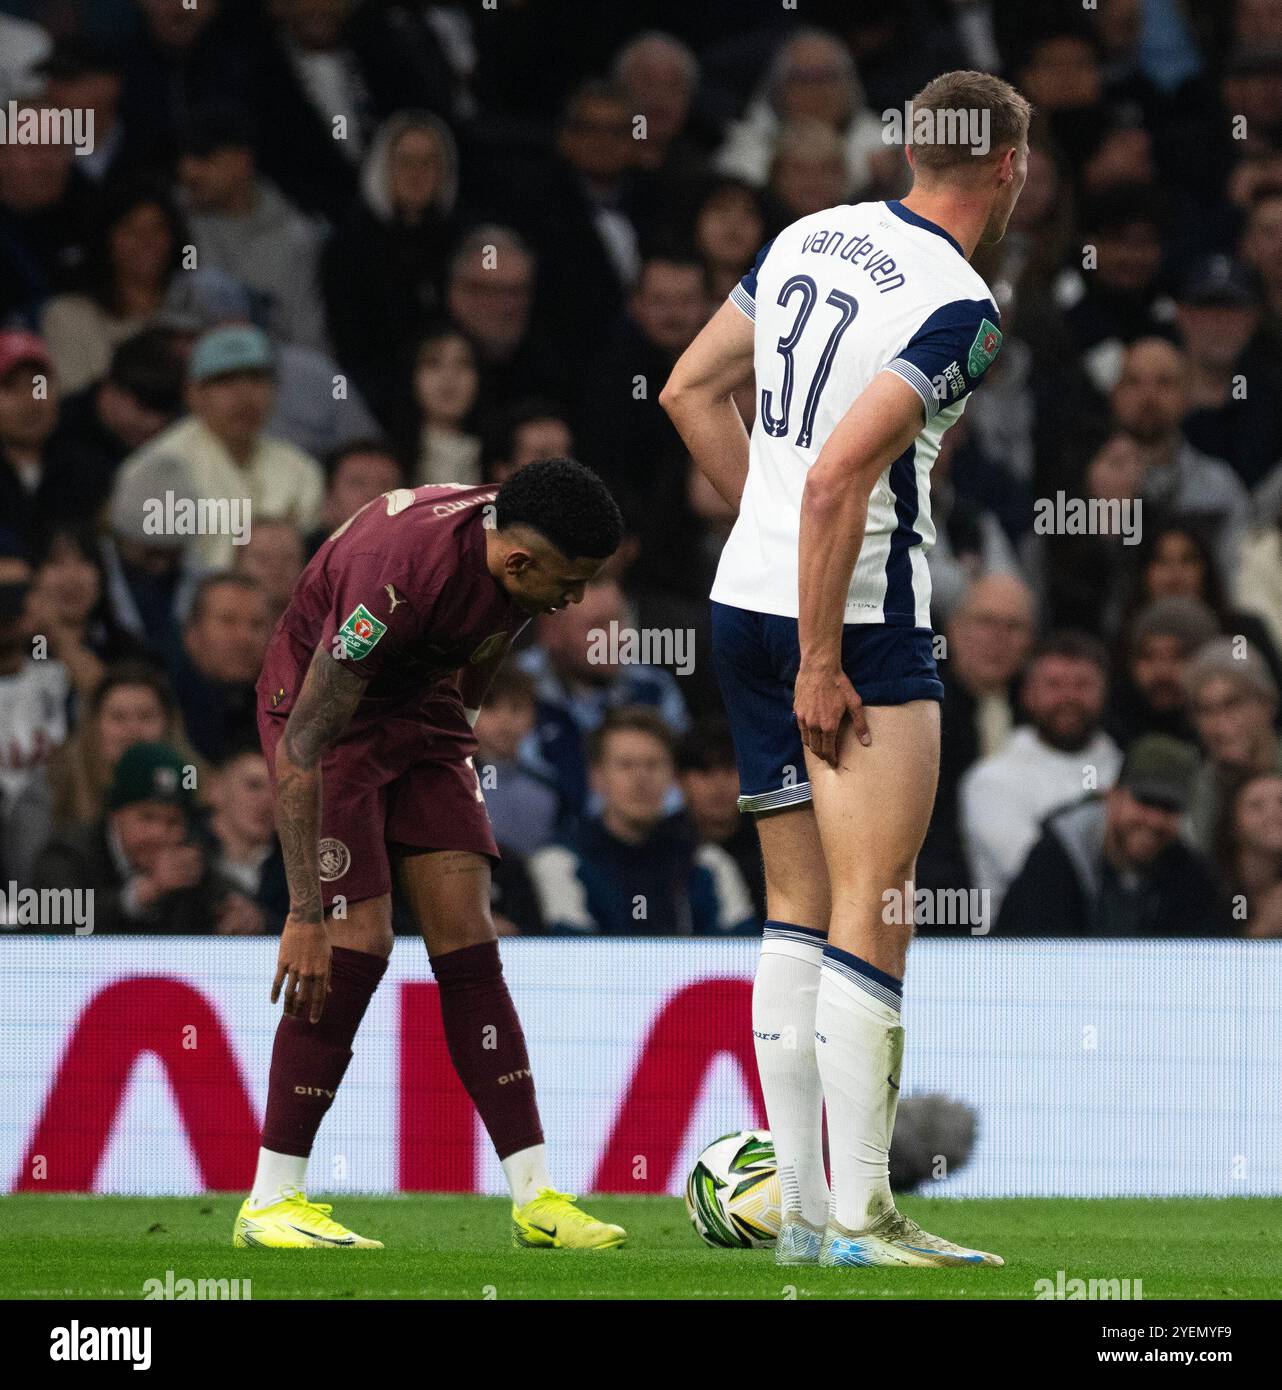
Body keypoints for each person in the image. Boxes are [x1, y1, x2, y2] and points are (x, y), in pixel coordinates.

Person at [663, 69, 1031, 1268]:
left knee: (793, 910)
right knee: (876, 903)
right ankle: (868, 1215)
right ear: (1008, 169)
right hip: (860, 625)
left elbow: (688, 387)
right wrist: (824, 649)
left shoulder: (809, 233)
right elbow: (836, 479)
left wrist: (766, 537)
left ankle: (803, 1218)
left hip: (742, 603)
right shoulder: (962, 306)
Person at [239, 458, 627, 1251]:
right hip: (328, 718)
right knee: (357, 943)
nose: (577, 599)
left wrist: (457, 740)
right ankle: (270, 1200)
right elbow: (301, 748)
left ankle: (535, 1201)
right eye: (572, 582)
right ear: (520, 562)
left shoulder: (513, 545)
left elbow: (487, 640)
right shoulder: (393, 588)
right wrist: (303, 910)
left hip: (425, 710)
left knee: (470, 938)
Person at [529, 707, 756, 936]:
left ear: (672, 776)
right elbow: (572, 956)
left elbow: (739, 951)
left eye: (653, 765)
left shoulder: (708, 862)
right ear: (597, 777)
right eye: (626, 765)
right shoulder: (561, 860)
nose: (641, 779)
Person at [996, 734, 1225, 937]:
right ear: (1113, 795)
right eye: (1145, 801)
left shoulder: (1191, 876)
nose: (1154, 820)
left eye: (1169, 808)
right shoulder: (1055, 857)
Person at [960, 632, 1123, 913]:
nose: (1069, 697)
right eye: (1054, 685)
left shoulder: (1126, 771)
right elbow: (1045, 877)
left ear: (1104, 692)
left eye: (1082, 685)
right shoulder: (992, 780)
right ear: (1027, 694)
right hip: (1017, 947)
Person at [31, 740, 253, 935]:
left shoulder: (188, 861)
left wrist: (250, 917)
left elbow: (233, 900)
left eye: (172, 822)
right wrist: (143, 894)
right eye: (147, 817)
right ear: (116, 815)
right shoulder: (67, 854)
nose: (158, 833)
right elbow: (55, 927)